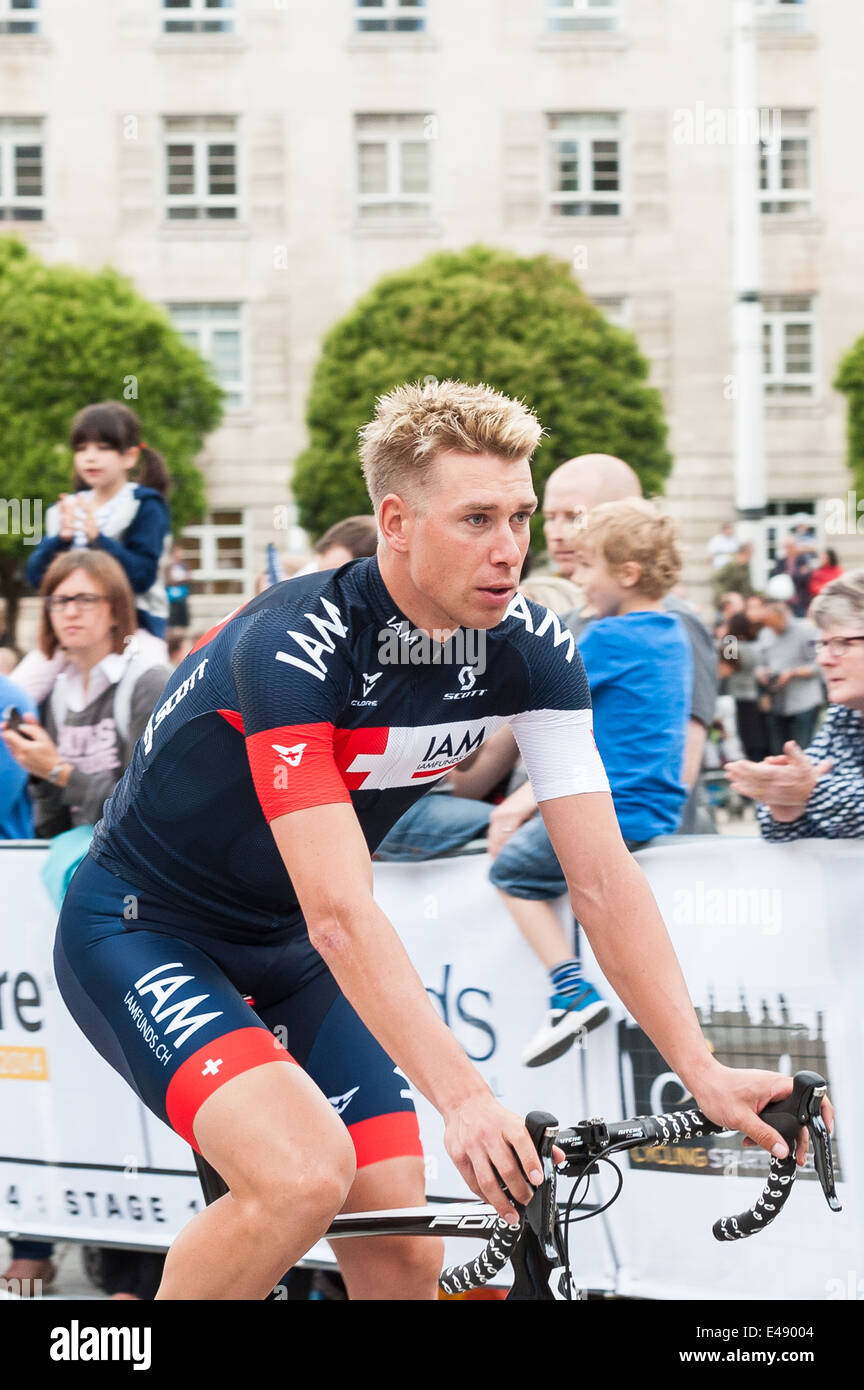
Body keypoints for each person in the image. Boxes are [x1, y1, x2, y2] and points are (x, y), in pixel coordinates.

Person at [45, 380, 824, 1302]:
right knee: (298, 1179)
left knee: (405, 1257)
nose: (510, 550)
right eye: (477, 519)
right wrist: (464, 1099)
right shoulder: (295, 643)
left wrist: (699, 1071)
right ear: (396, 520)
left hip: (287, 948)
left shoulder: (530, 643)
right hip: (144, 930)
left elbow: (603, 879)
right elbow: (341, 913)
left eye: (522, 516)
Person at [1, 550, 171, 1298]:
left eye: (84, 599)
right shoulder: (45, 688)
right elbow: (46, 810)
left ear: (115, 609)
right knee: (64, 1073)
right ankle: (51, 1251)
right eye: (58, 599)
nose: (69, 611)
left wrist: (64, 775)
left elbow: (156, 797)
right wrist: (52, 797)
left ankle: (142, 1270)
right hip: (73, 892)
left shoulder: (145, 678)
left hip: (147, 898)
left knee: (136, 1075)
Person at [486, 500, 693, 1066]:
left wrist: (519, 801)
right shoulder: (672, 636)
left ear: (626, 574)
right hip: (653, 806)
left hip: (615, 806)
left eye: (587, 567)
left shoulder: (609, 639)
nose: (576, 579)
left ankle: (570, 990)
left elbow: (537, 702)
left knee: (510, 873)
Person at [15, 403, 171, 702]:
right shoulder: (66, 509)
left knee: (157, 694)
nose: (90, 456)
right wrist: (59, 539)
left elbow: (141, 576)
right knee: (14, 699)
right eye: (81, 447)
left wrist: (97, 538)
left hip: (133, 630)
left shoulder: (143, 504)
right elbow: (37, 578)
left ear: (130, 456)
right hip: (73, 633)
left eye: (103, 447)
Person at [726, 569, 864, 839]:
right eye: (821, 644)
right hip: (766, 699)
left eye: (840, 643)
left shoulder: (798, 632)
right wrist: (785, 803)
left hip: (802, 701)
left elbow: (815, 790)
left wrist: (808, 790)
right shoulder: (843, 715)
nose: (824, 658)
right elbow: (779, 822)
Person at [754, 597, 823, 754]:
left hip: (803, 702)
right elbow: (760, 664)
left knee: (802, 751)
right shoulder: (765, 634)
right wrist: (762, 673)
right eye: (768, 624)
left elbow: (818, 664)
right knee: (780, 751)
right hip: (778, 702)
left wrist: (792, 673)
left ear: (783, 617)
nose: (772, 629)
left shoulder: (804, 631)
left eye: (774, 623)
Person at [718, 612, 769, 764]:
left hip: (734, 694)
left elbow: (726, 670)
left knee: (738, 734)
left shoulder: (731, 643)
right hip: (752, 693)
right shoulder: (754, 646)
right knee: (754, 734)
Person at [769, 538, 813, 619]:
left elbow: (806, 577)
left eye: (790, 546)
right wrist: (797, 573)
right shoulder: (781, 561)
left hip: (799, 600)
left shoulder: (803, 560)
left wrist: (788, 575)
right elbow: (776, 575)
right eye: (786, 547)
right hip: (784, 601)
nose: (788, 549)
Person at [165, 543, 191, 628]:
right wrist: (181, 579)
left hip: (183, 597)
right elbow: (168, 581)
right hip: (172, 598)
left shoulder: (184, 566)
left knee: (183, 620)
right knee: (173, 620)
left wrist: (179, 580)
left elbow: (189, 578)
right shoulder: (169, 566)